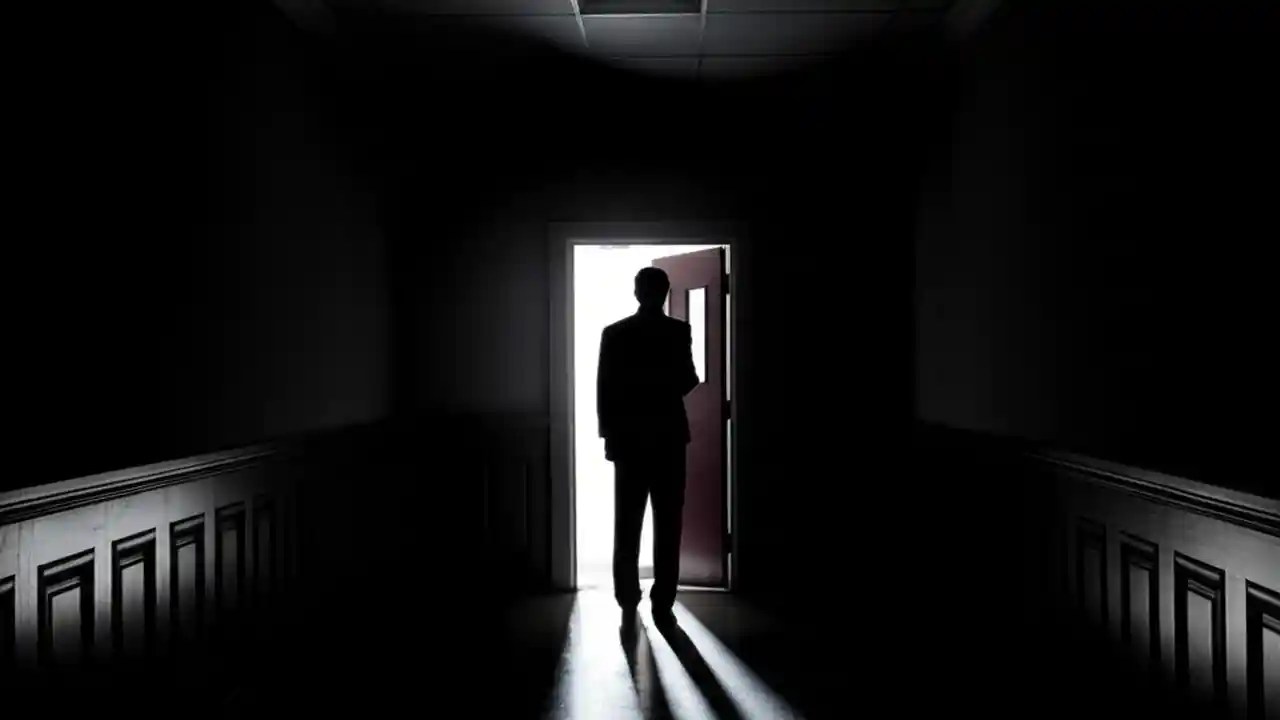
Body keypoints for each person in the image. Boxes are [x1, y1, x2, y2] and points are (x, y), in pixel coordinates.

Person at [597, 266, 700, 626]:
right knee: (668, 520)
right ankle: (663, 600)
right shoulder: (678, 331)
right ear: (667, 291)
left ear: (636, 292)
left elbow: (605, 390)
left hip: (628, 439)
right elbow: (689, 380)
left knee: (627, 521)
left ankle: (627, 594)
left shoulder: (615, 333)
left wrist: (608, 436)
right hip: (670, 436)